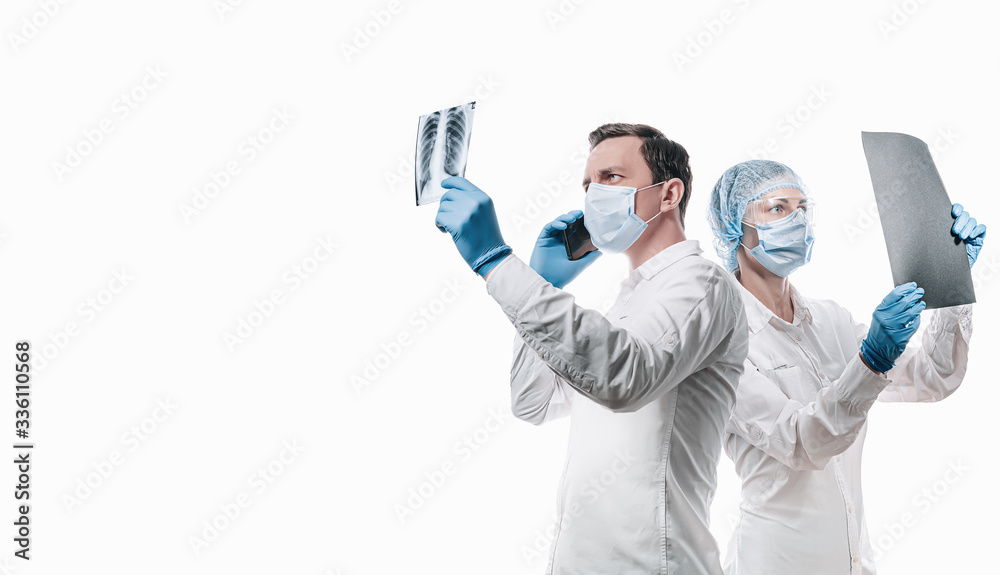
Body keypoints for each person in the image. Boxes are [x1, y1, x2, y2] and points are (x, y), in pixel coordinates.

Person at [434, 123, 749, 574]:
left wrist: (497, 263)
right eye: (588, 184)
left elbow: (624, 380)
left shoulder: (702, 283)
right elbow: (532, 401)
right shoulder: (629, 301)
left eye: (612, 177)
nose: (593, 194)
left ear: (668, 194)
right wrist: (543, 282)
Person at [706, 159, 985, 575]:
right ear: (734, 227)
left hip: (853, 562)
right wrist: (870, 361)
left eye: (802, 208)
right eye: (779, 208)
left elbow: (935, 376)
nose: (797, 219)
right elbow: (802, 442)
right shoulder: (721, 340)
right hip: (774, 562)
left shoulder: (830, 321)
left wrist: (952, 280)